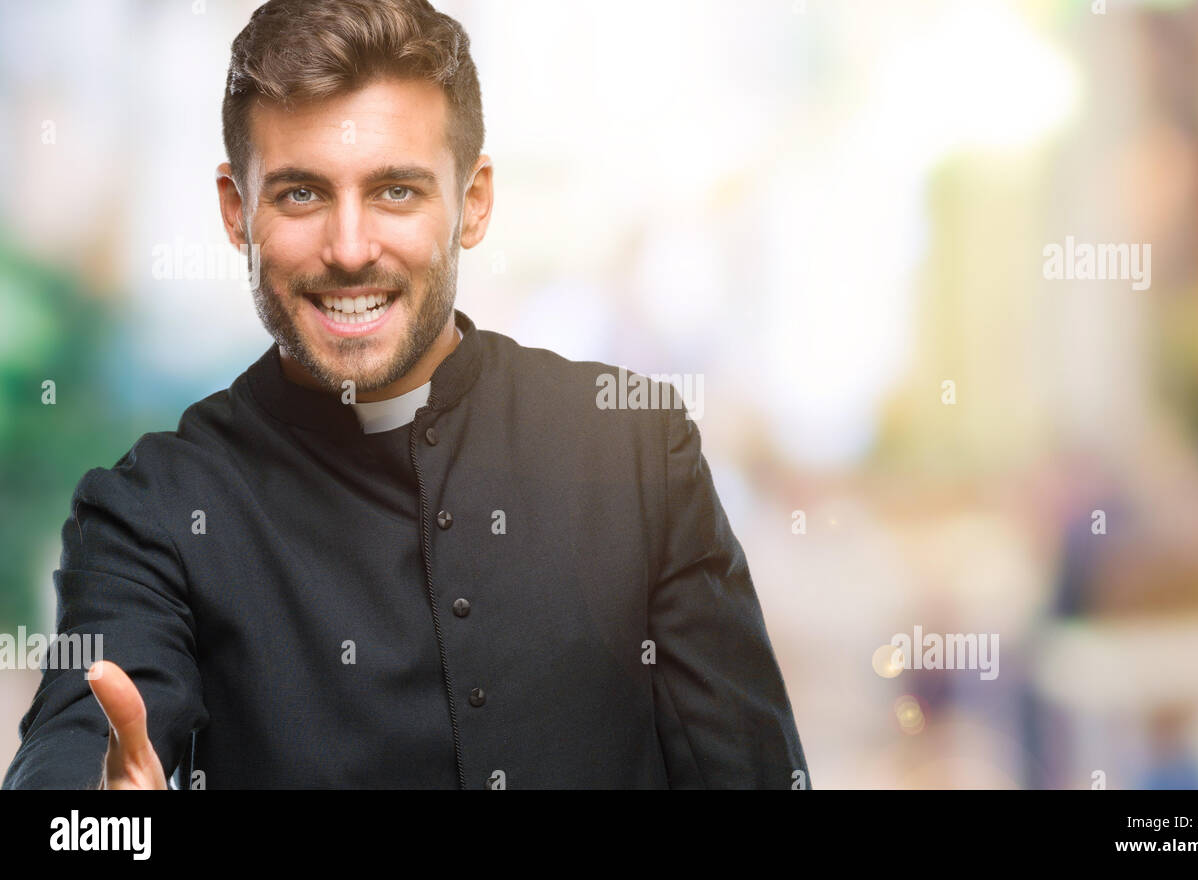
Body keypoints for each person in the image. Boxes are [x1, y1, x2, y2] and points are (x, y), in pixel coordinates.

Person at [3, 0, 808, 790]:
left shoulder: (634, 449)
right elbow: (78, 735)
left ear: (475, 202)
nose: (350, 249)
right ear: (235, 211)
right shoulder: (152, 511)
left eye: (395, 191)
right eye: (300, 194)